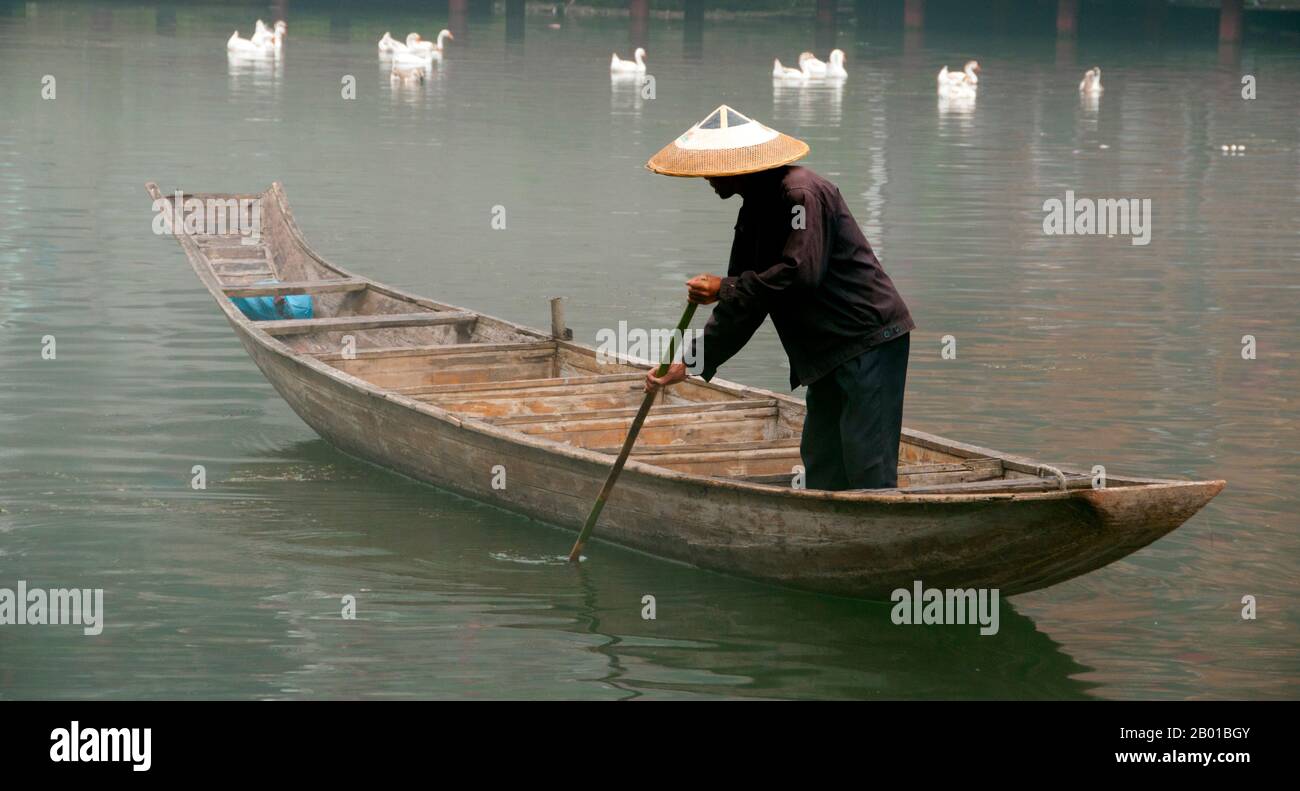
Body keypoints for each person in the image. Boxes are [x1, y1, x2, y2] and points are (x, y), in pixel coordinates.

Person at [642, 105, 914, 490]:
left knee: (867, 464)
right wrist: (689, 361)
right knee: (823, 462)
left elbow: (802, 274)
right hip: (826, 352)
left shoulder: (801, 195)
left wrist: (724, 287)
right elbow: (743, 305)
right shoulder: (753, 212)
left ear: (736, 164)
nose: (705, 176)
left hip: (867, 339)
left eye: (711, 166)